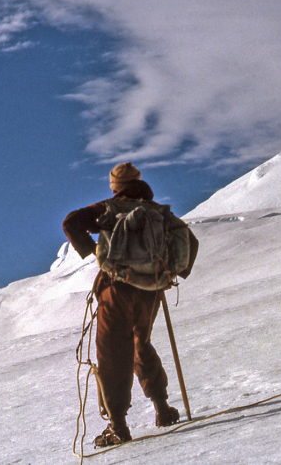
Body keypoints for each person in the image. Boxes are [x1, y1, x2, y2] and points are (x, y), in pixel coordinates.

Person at [62, 162, 198, 447]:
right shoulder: (157, 211)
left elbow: (70, 222)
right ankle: (162, 407)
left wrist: (95, 252)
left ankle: (118, 426)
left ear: (115, 187)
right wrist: (170, 273)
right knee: (140, 342)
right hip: (151, 290)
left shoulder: (109, 208)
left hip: (116, 288)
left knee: (111, 353)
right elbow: (191, 241)